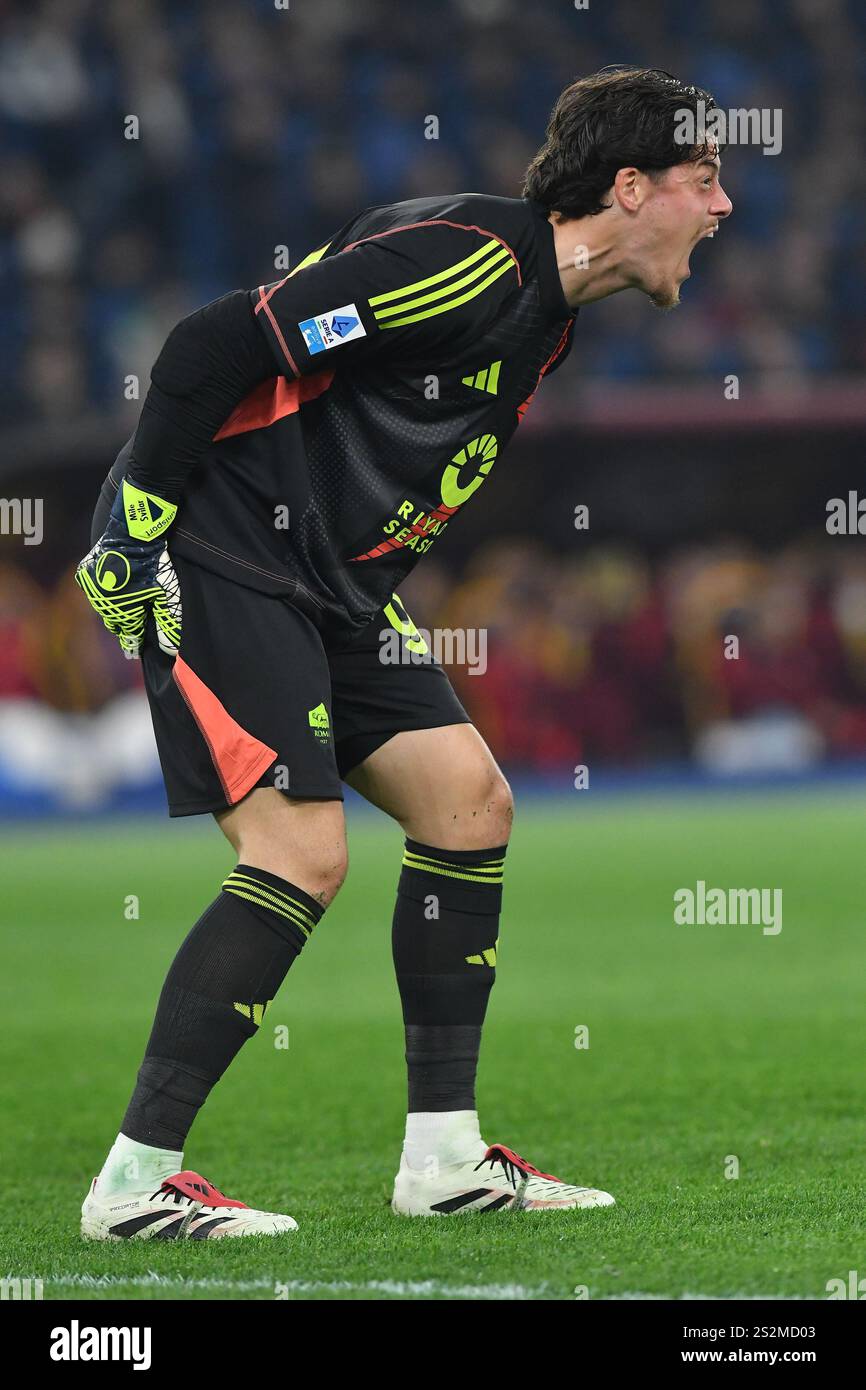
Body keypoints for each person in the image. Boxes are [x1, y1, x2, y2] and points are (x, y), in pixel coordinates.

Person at [76, 66, 732, 1237]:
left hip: (333, 585)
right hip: (226, 551)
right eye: (703, 178)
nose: (721, 206)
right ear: (628, 188)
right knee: (299, 851)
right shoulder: (474, 258)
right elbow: (215, 342)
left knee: (467, 805)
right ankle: (131, 1183)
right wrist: (132, 533)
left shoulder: (548, 314)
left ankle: (443, 1161)